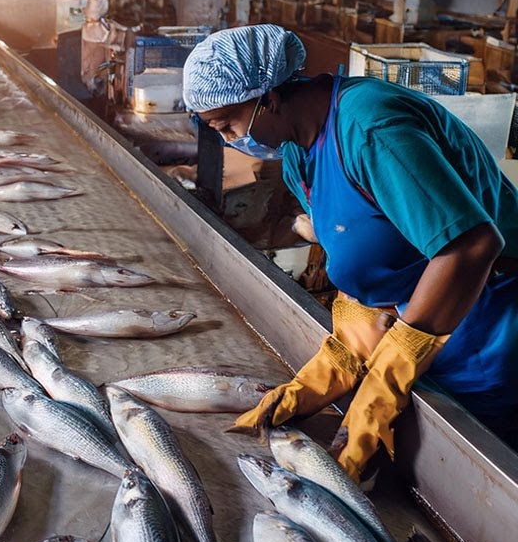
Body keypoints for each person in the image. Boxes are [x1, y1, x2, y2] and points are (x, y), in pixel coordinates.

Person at [183, 24, 518, 479]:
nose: (230, 140)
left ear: (270, 100)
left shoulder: (371, 129)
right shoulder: (299, 149)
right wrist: (348, 347)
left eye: (228, 125)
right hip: (424, 332)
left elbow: (472, 247)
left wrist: (388, 373)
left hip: (489, 337)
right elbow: (367, 246)